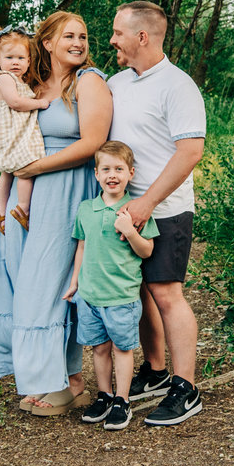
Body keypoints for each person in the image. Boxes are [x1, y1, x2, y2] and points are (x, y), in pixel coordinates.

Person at [0, 11, 112, 416]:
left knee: (50, 281)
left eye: (83, 35)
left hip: (66, 186)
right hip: (27, 192)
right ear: (47, 43)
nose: (78, 42)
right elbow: (9, 130)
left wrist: (36, 169)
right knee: (23, 277)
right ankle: (55, 375)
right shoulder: (32, 83)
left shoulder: (89, 81)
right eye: (68, 36)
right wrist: (5, 189)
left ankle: (63, 381)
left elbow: (95, 142)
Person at [107, 0, 206, 426]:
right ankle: (157, 371)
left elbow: (190, 151)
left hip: (164, 209)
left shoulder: (177, 86)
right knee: (140, 292)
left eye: (118, 32)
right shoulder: (116, 82)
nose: (112, 40)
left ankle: (186, 388)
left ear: (142, 37)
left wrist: (147, 202)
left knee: (166, 293)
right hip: (127, 209)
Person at [62, 141, 159, 431]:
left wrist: (130, 231)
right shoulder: (86, 209)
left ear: (130, 173)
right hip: (90, 295)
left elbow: (147, 251)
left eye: (119, 169)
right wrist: (75, 282)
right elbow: (82, 246)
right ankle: (104, 396)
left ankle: (122, 400)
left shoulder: (135, 211)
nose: (112, 175)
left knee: (121, 348)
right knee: (99, 348)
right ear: (96, 174)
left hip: (121, 296)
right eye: (106, 169)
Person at [0, 27, 52, 234]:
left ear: (29, 61)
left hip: (13, 133)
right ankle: (23, 209)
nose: (15, 62)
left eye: (21, 58)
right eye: (9, 57)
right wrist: (40, 103)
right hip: (6, 134)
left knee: (7, 175)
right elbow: (16, 103)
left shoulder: (20, 80)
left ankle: (0, 213)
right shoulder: (4, 78)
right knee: (25, 170)